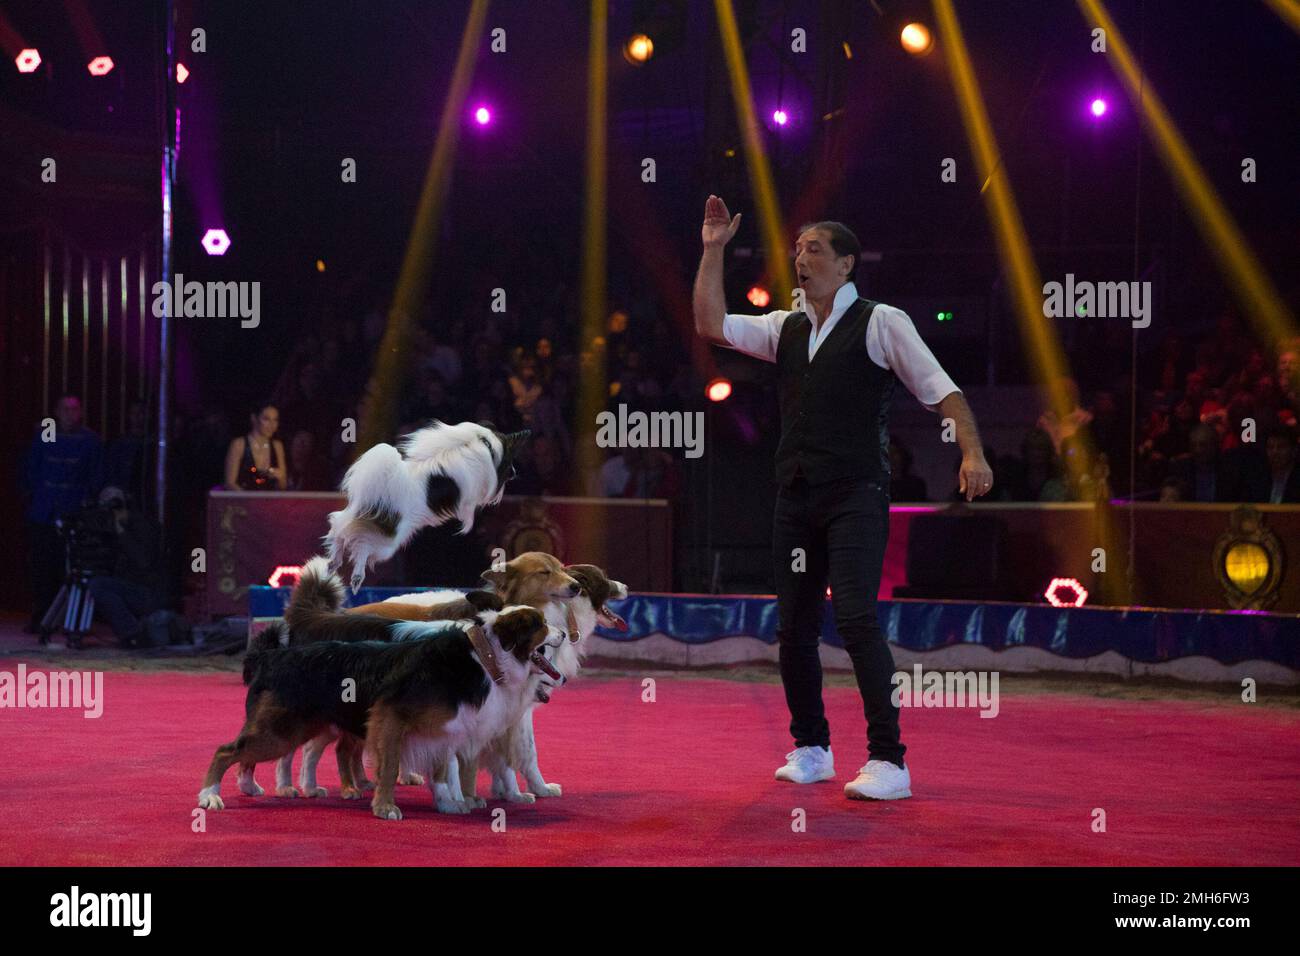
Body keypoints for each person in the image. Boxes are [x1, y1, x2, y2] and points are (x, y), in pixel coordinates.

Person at [692, 196, 992, 801]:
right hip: (796, 494)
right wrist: (713, 249)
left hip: (856, 492)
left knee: (855, 617)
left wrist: (972, 452)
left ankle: (889, 761)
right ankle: (812, 747)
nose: (800, 258)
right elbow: (710, 323)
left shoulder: (883, 322)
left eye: (814, 249)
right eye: (797, 249)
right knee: (794, 628)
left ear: (846, 264)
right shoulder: (786, 328)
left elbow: (943, 392)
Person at [21, 395, 103, 631]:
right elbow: (32, 468)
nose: (70, 414)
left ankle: (71, 618)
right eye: (65, 409)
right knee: (41, 565)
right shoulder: (46, 433)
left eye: (74, 409)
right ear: (57, 411)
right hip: (44, 511)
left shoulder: (90, 440)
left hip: (73, 511)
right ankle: (42, 616)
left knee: (69, 566)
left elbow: (95, 476)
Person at [86, 487, 164, 647]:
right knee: (99, 582)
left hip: (148, 592)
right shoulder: (110, 527)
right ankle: (131, 632)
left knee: (98, 585)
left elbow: (143, 561)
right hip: (129, 586)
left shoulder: (141, 525)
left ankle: (133, 634)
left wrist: (122, 533)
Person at [223, 402, 287, 490]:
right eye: (266, 419)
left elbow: (283, 486)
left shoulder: (277, 446)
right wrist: (250, 501)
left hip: (268, 501)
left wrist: (280, 478)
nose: (272, 425)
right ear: (254, 418)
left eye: (275, 420)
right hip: (242, 501)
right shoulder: (239, 444)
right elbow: (230, 483)